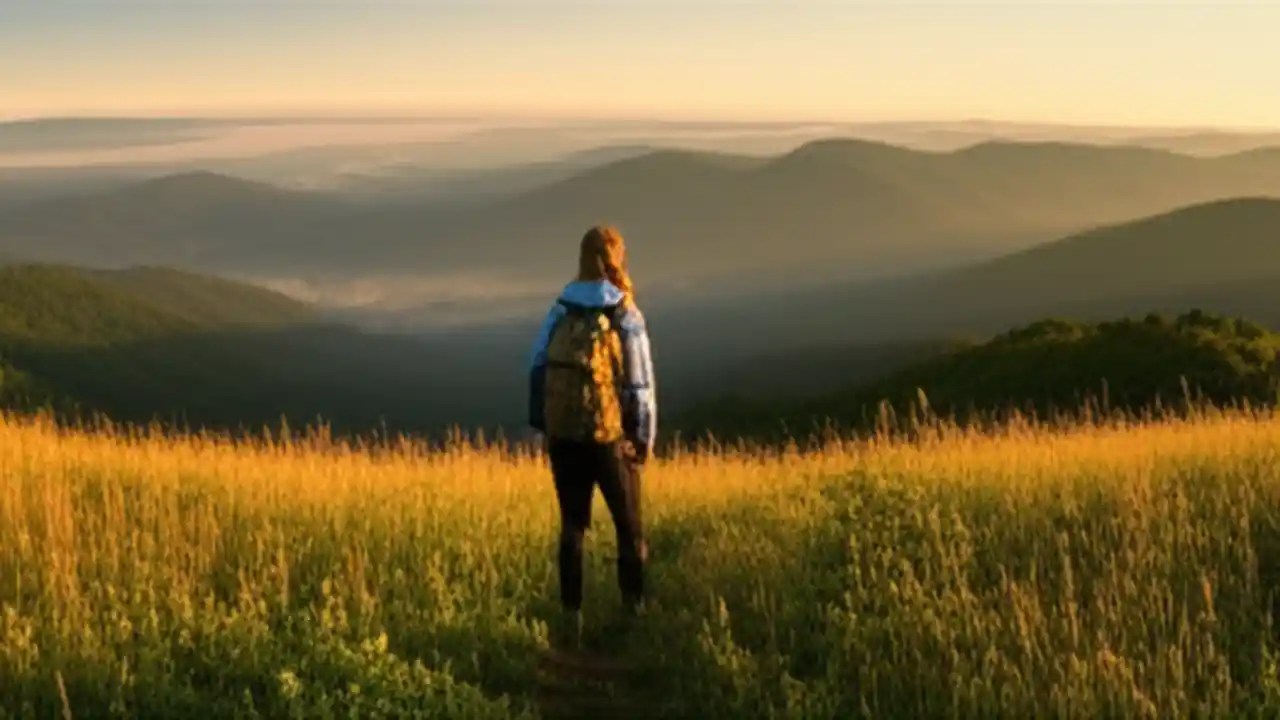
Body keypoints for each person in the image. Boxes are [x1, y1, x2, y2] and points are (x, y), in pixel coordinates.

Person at [528, 225, 657, 648]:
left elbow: (537, 365)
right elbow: (639, 384)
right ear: (618, 258)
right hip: (608, 436)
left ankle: (571, 619)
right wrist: (641, 438)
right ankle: (634, 616)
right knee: (629, 528)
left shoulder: (560, 307)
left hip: (564, 436)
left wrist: (545, 426)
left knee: (572, 527)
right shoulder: (624, 311)